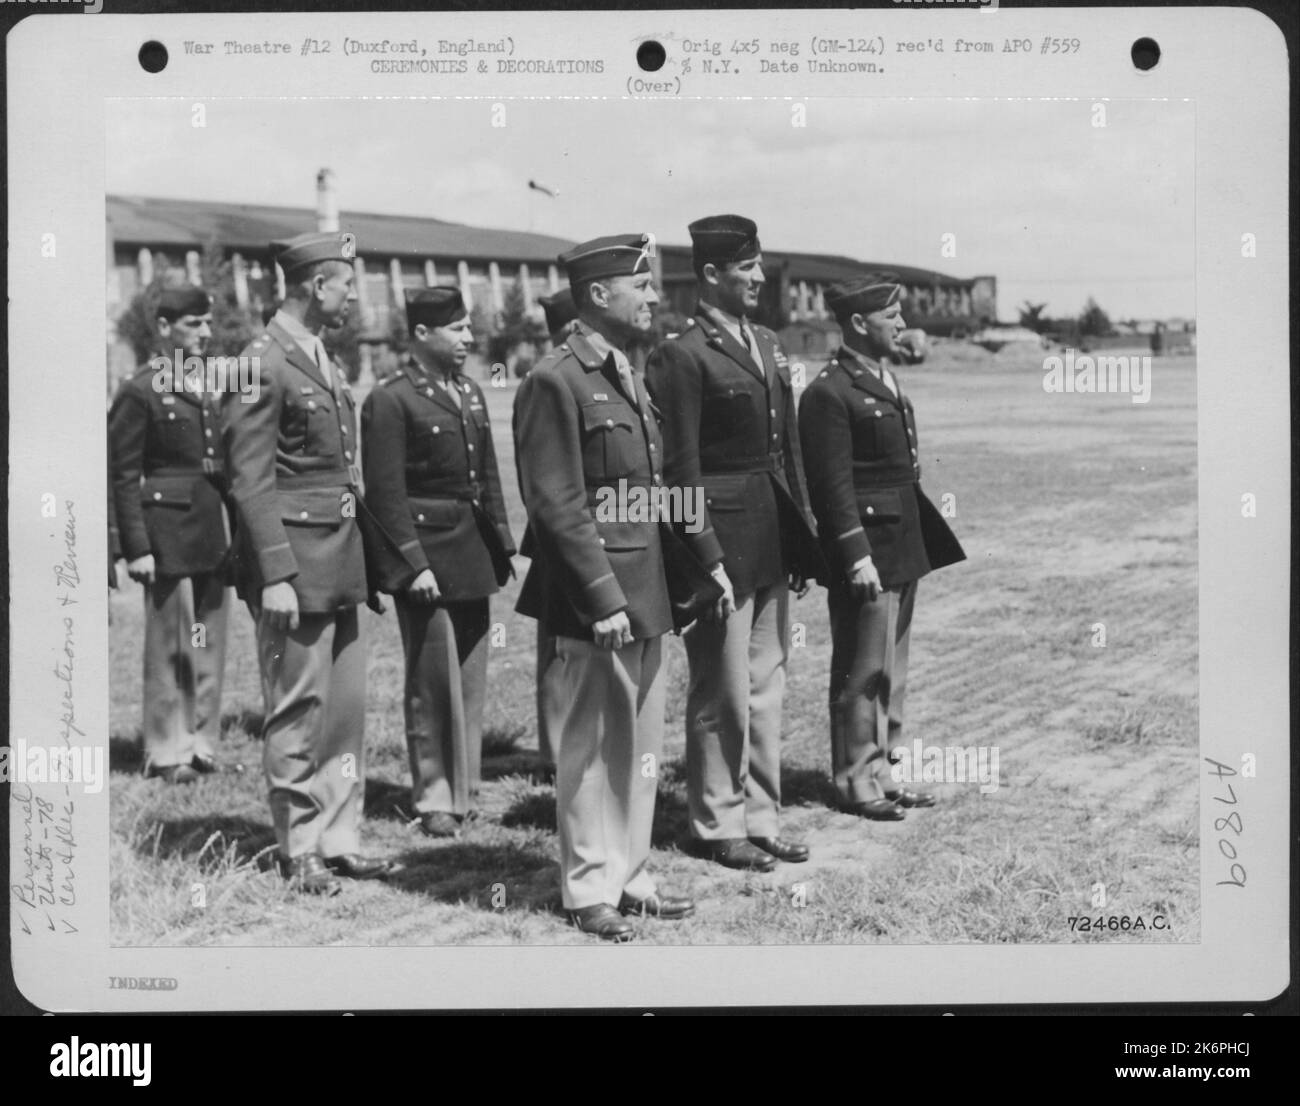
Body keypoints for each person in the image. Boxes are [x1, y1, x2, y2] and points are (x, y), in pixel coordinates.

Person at [513, 233, 717, 941]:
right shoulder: (555, 380)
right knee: (592, 748)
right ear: (599, 296)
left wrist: (702, 561)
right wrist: (601, 599)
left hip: (649, 590)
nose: (655, 297)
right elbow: (558, 505)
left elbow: (650, 492)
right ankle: (587, 885)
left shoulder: (627, 373)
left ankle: (630, 874)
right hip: (596, 600)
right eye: (643, 284)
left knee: (640, 746)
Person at [645, 215, 825, 871]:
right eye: (744, 268)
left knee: (766, 685)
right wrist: (705, 558)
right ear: (711, 274)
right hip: (718, 540)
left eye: (758, 266)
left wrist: (801, 534)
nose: (757, 277)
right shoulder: (680, 354)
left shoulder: (771, 343)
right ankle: (715, 823)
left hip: (770, 533)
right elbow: (677, 473)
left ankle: (760, 815)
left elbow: (789, 450)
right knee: (721, 687)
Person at [222, 231, 392, 896]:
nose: (353, 296)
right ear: (317, 286)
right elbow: (248, 478)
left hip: (341, 559)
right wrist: (277, 575)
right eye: (346, 284)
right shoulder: (262, 361)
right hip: (296, 565)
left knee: (345, 712)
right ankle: (300, 846)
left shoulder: (321, 357)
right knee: (297, 711)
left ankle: (340, 835)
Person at [797, 276, 965, 820]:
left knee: (892, 668)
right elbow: (831, 485)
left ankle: (883, 770)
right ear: (858, 324)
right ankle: (853, 778)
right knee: (861, 668)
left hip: (902, 540)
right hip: (868, 547)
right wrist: (854, 553)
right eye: (890, 317)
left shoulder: (882, 378)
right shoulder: (829, 391)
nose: (901, 324)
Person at [360, 287, 515, 839]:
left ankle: (466, 787)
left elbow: (488, 478)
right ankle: (434, 796)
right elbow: (384, 495)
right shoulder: (391, 399)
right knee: (432, 681)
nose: (468, 339)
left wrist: (503, 544)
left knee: (470, 677)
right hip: (425, 559)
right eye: (456, 330)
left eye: (469, 329)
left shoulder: (470, 392)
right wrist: (410, 565)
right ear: (422, 335)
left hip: (471, 549)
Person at [108, 286, 230, 784]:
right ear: (163, 328)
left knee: (208, 640)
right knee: (170, 645)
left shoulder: (207, 382)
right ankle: (166, 749)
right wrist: (134, 547)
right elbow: (121, 473)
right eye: (192, 324)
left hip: (209, 526)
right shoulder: (140, 389)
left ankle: (202, 740)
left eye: (206, 323)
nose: (205, 333)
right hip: (164, 534)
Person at [531, 285, 581, 779]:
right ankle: (553, 751)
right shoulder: (551, 379)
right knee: (557, 646)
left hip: (597, 530)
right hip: (562, 533)